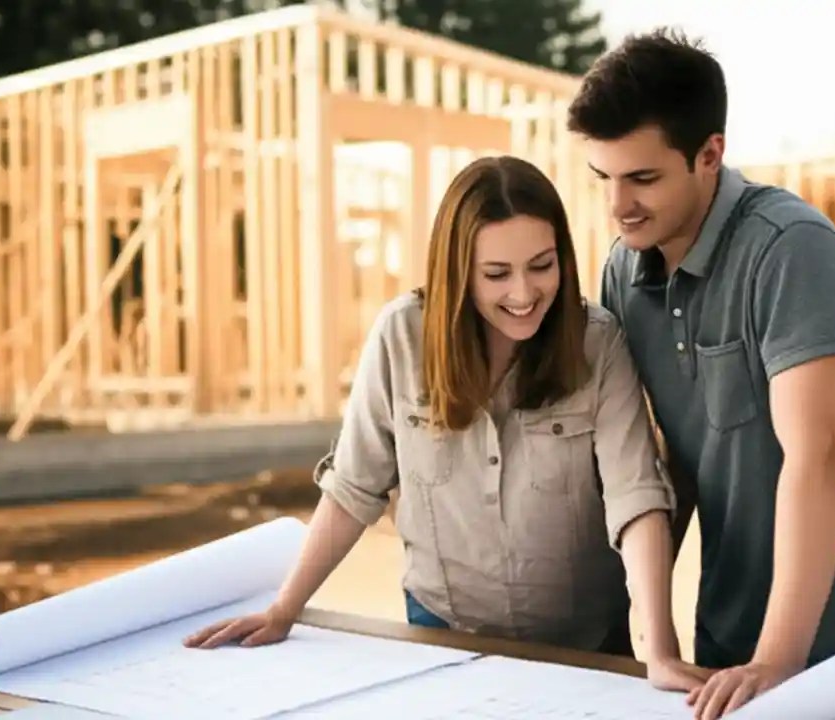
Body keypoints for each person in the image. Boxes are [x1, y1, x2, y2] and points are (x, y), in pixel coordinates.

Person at [183, 155, 710, 692]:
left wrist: (660, 651)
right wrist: (284, 609)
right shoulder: (401, 338)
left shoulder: (598, 342)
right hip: (445, 633)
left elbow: (636, 496)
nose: (524, 294)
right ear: (458, 270)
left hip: (583, 641)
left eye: (542, 265)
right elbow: (352, 488)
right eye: (497, 274)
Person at [565, 29, 835, 719]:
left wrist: (779, 659)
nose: (618, 206)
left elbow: (820, 456)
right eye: (604, 179)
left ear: (710, 155)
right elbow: (670, 460)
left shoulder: (792, 250)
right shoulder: (625, 270)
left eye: (642, 178)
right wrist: (639, 624)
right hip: (731, 632)